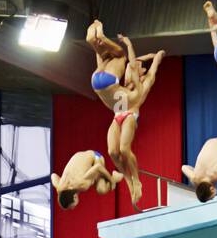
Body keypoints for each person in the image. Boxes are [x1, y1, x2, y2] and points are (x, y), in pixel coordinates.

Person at [104, 32, 166, 206]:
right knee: (112, 152)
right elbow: (133, 62)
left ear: (142, 70)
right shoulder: (126, 81)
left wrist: (157, 57)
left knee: (124, 149)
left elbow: (140, 63)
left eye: (137, 66)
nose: (132, 67)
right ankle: (128, 180)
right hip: (117, 116)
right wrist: (146, 55)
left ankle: (136, 180)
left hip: (131, 115)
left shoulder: (145, 82)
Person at [86, 19, 160, 109]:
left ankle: (100, 37)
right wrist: (149, 56)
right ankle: (96, 40)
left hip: (106, 82)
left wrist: (129, 45)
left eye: (139, 65)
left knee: (121, 56)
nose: (137, 65)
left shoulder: (136, 79)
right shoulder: (133, 80)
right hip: (97, 83)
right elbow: (133, 62)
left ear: (143, 70)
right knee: (107, 56)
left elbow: (132, 64)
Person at [51, 148, 121, 209]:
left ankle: (115, 176)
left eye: (73, 206)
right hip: (79, 156)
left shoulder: (82, 183)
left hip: (96, 157)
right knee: (91, 180)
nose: (73, 209)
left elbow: (98, 167)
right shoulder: (59, 187)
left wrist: (112, 181)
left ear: (75, 197)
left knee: (102, 189)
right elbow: (53, 175)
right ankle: (99, 178)